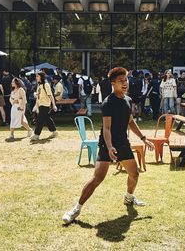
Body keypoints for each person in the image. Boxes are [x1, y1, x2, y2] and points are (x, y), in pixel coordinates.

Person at [62, 67, 154, 225]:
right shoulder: (108, 103)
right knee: (97, 178)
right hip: (107, 145)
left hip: (123, 143)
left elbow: (131, 122)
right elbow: (107, 128)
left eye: (125, 80)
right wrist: (110, 147)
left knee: (134, 174)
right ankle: (76, 209)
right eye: (121, 81)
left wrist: (143, 138)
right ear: (113, 84)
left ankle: (129, 198)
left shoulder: (128, 100)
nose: (125, 83)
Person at [30, 71, 58, 141]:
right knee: (47, 119)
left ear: (41, 77)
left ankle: (36, 135)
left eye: (37, 76)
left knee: (40, 120)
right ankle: (54, 132)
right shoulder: (39, 85)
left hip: (45, 105)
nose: (36, 78)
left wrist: (54, 105)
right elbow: (39, 96)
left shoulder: (46, 85)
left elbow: (50, 95)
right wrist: (36, 104)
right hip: (40, 104)